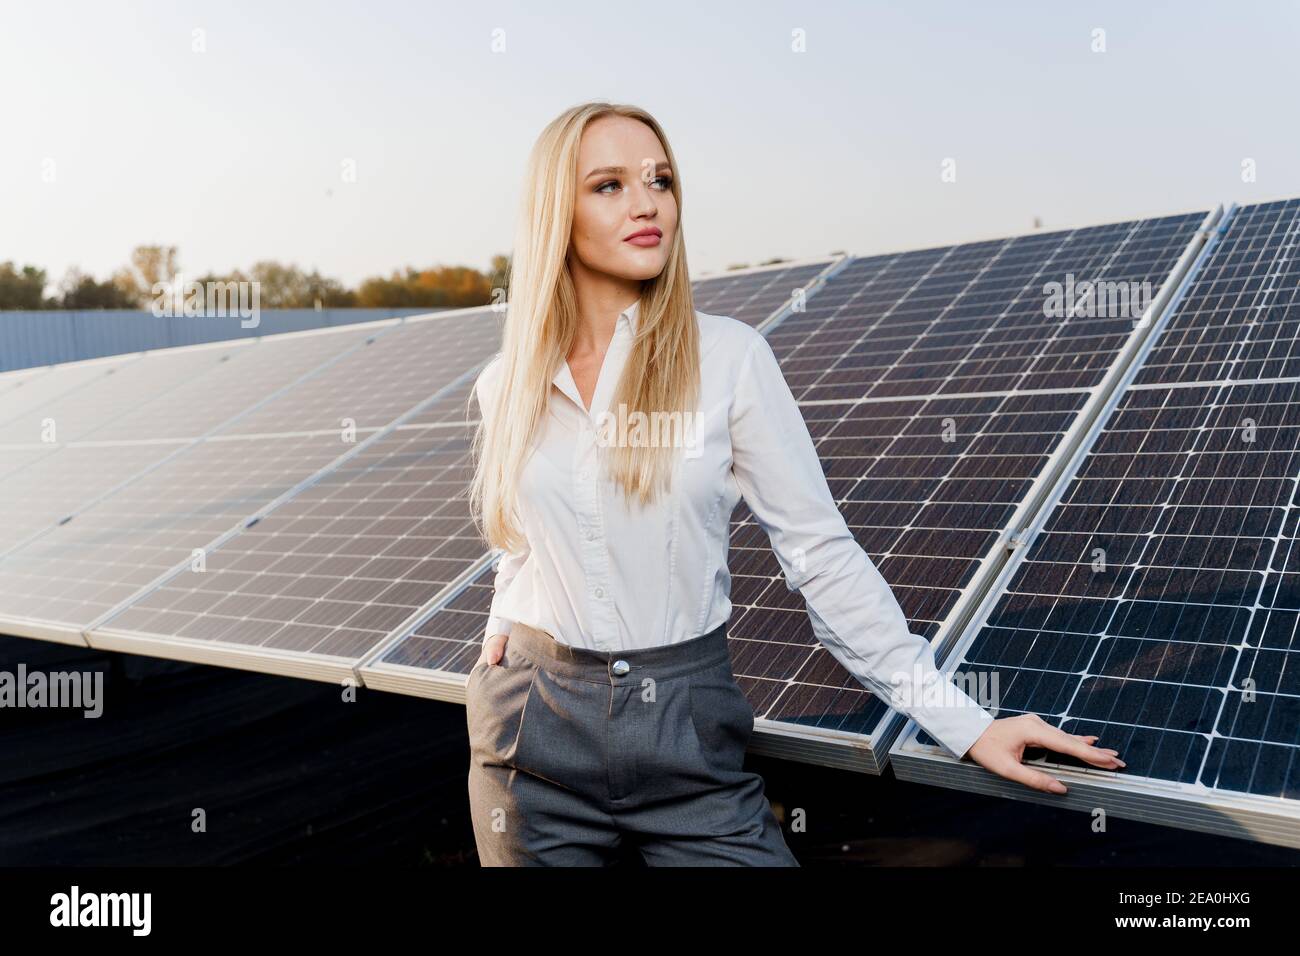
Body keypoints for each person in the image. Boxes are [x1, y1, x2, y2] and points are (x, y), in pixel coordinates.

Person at [464, 101, 1125, 867]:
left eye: (661, 179)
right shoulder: (503, 383)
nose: (647, 202)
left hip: (689, 736)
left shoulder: (729, 360)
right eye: (608, 185)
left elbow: (820, 553)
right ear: (555, 211)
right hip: (532, 737)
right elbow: (520, 541)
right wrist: (500, 631)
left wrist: (965, 722)